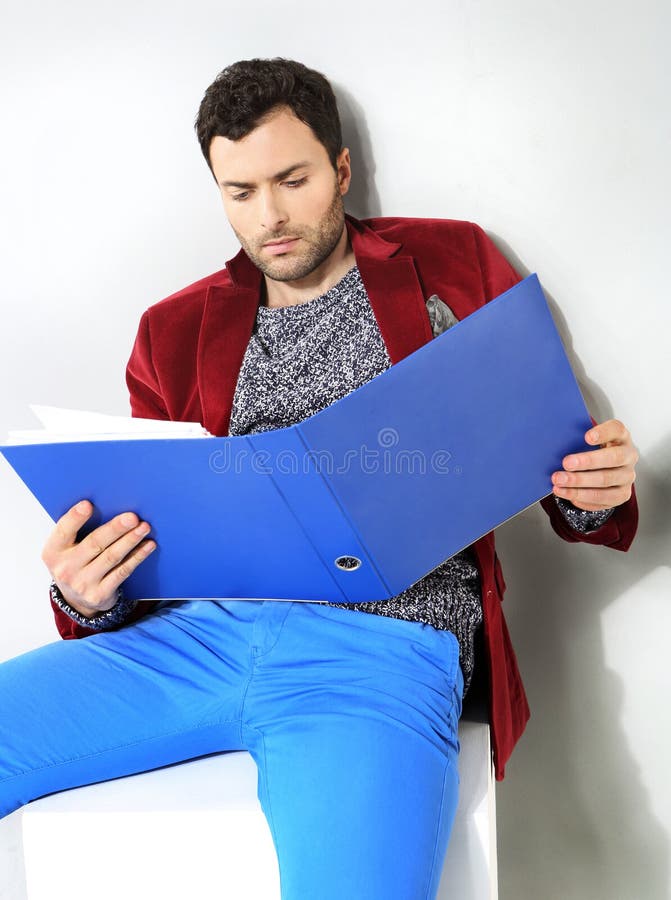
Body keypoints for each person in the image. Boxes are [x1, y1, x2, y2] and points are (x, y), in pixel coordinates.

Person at [0, 58, 639, 899]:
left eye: (291, 180)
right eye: (239, 193)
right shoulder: (172, 330)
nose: (268, 216)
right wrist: (87, 593)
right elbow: (156, 539)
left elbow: (547, 451)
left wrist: (594, 493)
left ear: (340, 170)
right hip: (194, 640)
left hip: (382, 651)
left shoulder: (451, 262)